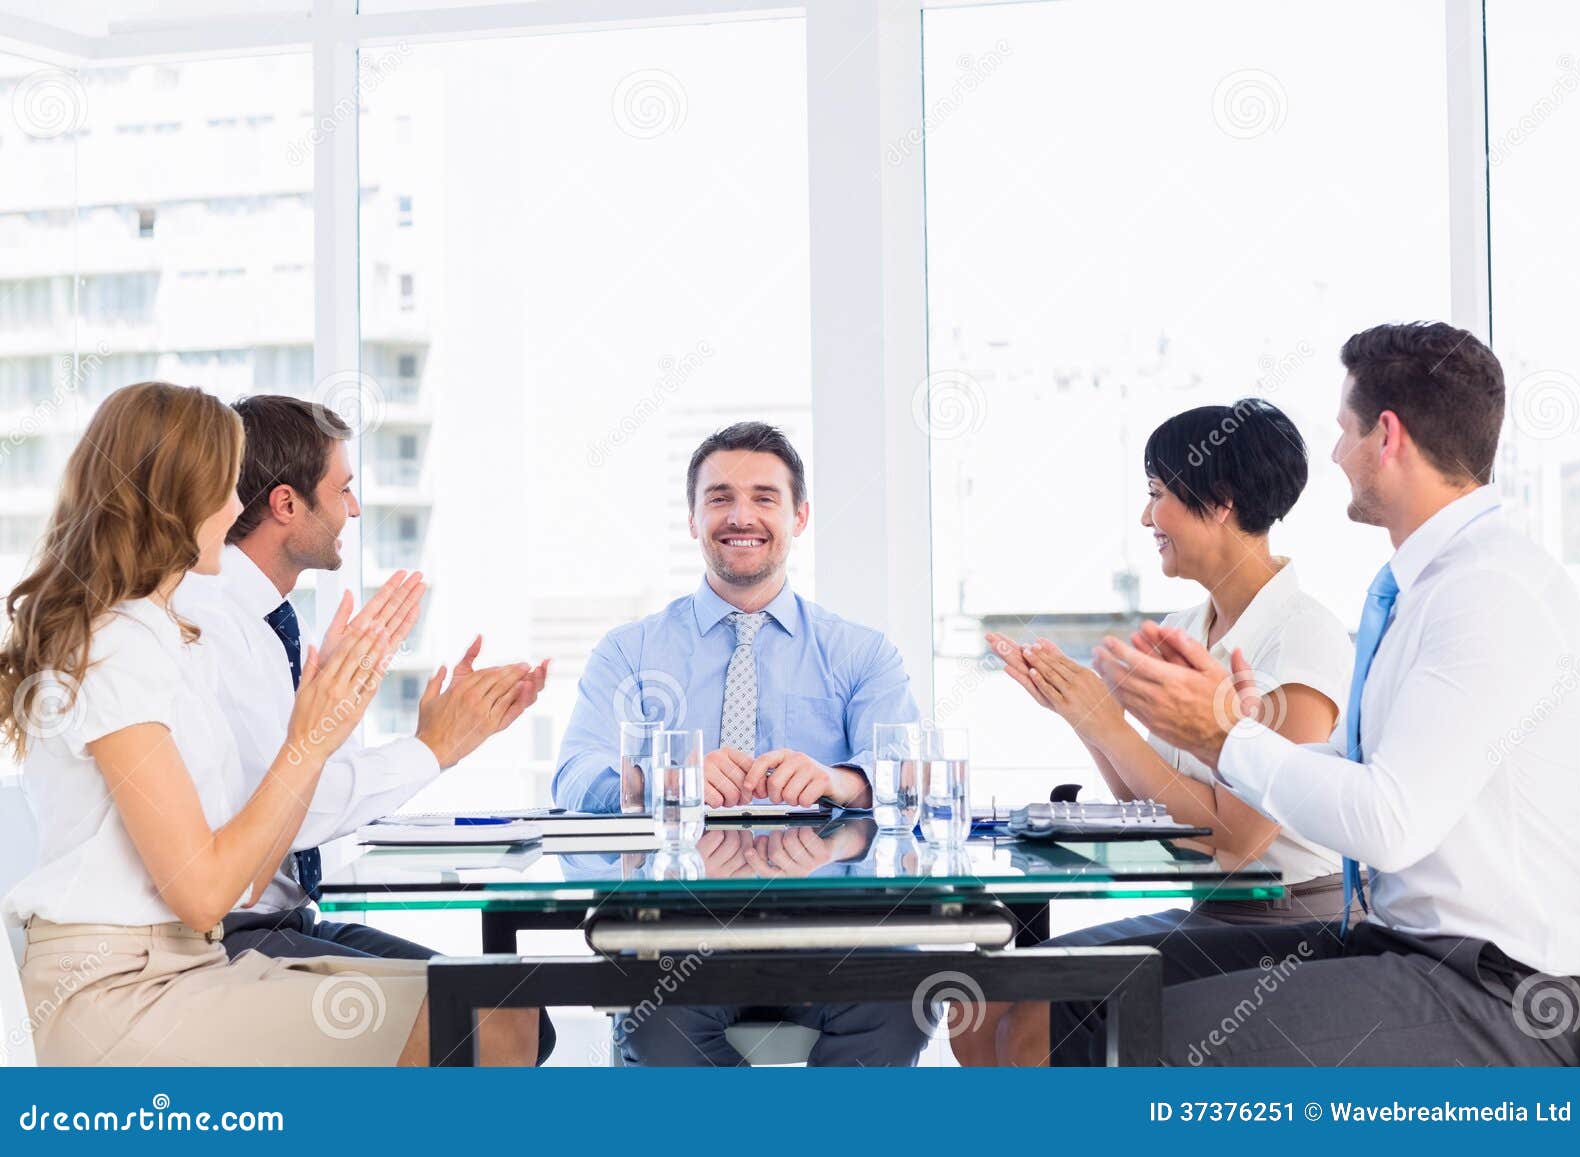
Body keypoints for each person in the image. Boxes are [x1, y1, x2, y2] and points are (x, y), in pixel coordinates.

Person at [1039, 323, 1580, 1065]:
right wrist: (1235, 724)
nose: (1335, 454)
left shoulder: (1486, 590)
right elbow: (1356, 765)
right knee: (1090, 990)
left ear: (1386, 436)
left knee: (1153, 1039)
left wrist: (1225, 737)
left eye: (1345, 431)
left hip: (1495, 993)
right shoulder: (1421, 586)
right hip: (1397, 944)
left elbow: (1389, 822)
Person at [0, 382, 542, 1064]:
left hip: (187, 964)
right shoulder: (118, 642)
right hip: (119, 991)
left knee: (506, 1016)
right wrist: (308, 739)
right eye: (225, 486)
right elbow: (203, 895)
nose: (235, 507)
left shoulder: (171, 635)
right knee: (485, 1026)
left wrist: (319, 734)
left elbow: (249, 878)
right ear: (175, 500)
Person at [953, 398, 1354, 1066]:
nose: (1146, 517)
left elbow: (1235, 836)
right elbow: (1157, 806)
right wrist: (1084, 716)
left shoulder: (1302, 638)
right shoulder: (1188, 624)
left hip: (1290, 917)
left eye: (1157, 494)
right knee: (980, 1001)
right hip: (1215, 912)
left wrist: (1110, 722)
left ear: (1220, 500)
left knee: (1032, 1022)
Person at [171, 394, 556, 1061]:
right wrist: (432, 749)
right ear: (287, 504)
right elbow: (291, 808)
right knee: (498, 1027)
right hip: (235, 935)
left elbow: (310, 785)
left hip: (288, 918)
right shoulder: (216, 623)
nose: (353, 508)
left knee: (522, 1014)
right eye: (343, 489)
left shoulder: (270, 625)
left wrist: (415, 734)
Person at [555, 421, 931, 1066]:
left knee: (899, 1003)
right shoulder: (630, 650)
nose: (740, 516)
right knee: (654, 1025)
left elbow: (910, 775)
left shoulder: (860, 651)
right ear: (694, 517)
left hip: (835, 928)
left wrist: (837, 780)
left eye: (764, 497)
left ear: (799, 516)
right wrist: (668, 778)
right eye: (720, 497)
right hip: (676, 929)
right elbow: (573, 781)